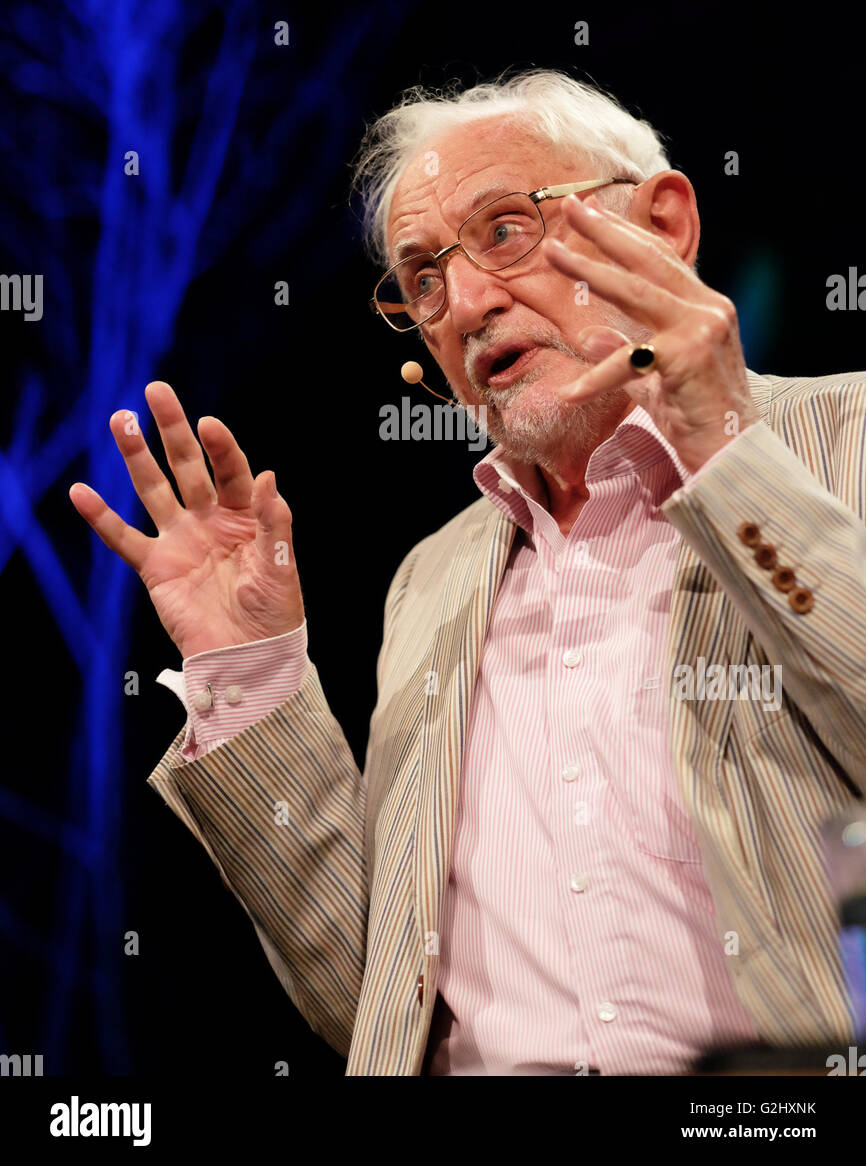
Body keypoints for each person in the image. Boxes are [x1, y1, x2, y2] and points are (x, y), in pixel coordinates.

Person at [69, 69, 866, 1076]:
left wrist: (721, 452)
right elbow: (378, 1000)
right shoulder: (431, 584)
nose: (469, 303)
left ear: (661, 221)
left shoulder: (850, 440)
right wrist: (251, 677)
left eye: (504, 231)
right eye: (421, 279)